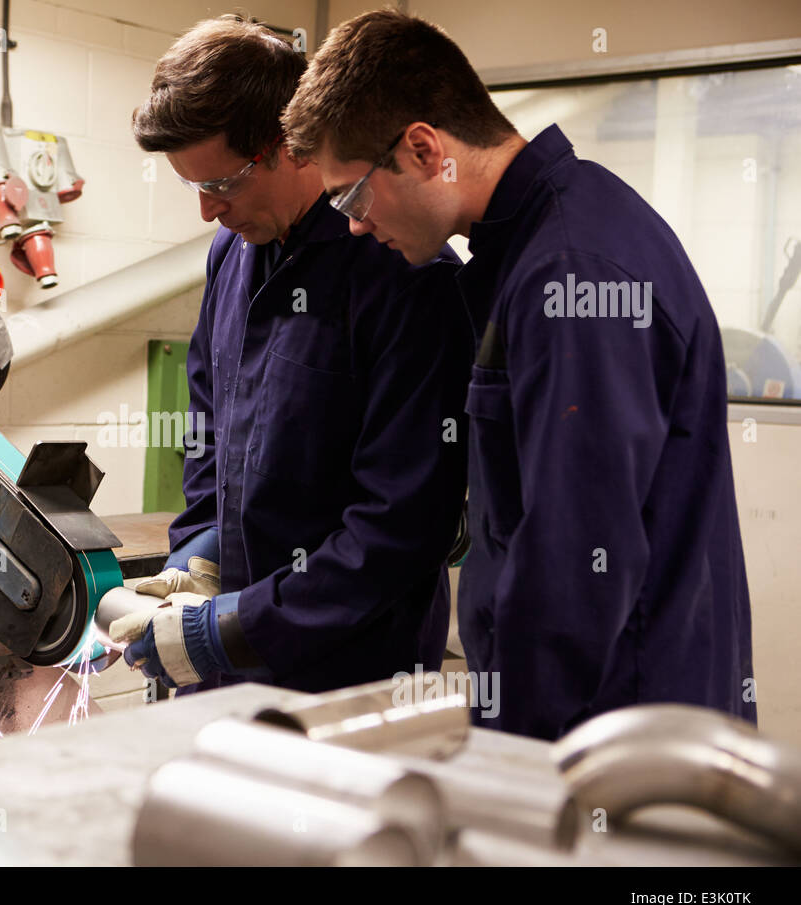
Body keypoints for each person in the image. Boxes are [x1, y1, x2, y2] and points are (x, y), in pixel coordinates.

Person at [282, 9, 755, 738]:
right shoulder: (546, 245)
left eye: (351, 194)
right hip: (612, 714)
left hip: (612, 733)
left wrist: (510, 754)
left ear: (422, 148)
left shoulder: (569, 274)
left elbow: (576, 566)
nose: (352, 223)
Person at [109, 16, 472, 695]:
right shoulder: (234, 252)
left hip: (350, 671)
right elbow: (209, 427)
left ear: (291, 146)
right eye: (194, 187)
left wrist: (236, 629)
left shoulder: (403, 269)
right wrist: (200, 559)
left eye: (222, 184)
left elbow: (401, 524)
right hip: (225, 651)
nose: (207, 212)